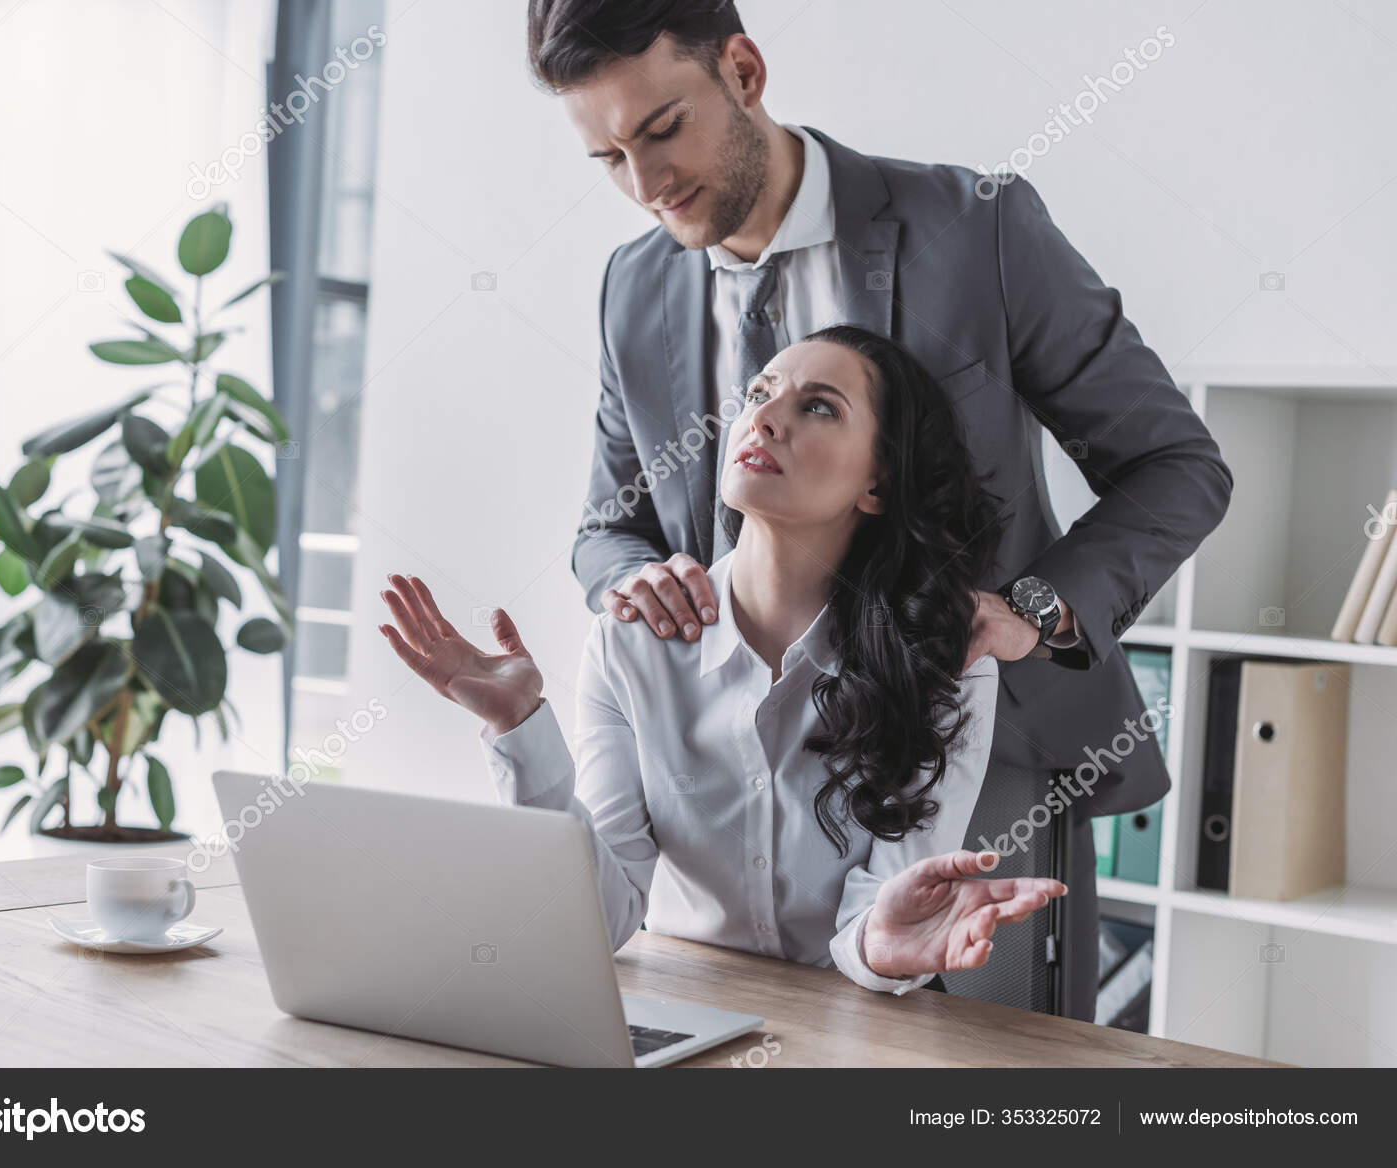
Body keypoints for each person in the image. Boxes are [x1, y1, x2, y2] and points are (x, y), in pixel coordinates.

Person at [528, 0, 1232, 1019]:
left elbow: (1174, 464)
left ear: (743, 69)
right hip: (733, 795)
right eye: (606, 160)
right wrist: (631, 579)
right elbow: (609, 524)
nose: (645, 188)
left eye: (663, 129)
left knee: (987, 1088)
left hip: (979, 744)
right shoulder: (633, 287)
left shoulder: (973, 227)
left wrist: (1028, 608)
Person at [379, 327, 1066, 992]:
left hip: (852, 1019)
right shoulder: (631, 643)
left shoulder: (950, 660)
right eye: (759, 393)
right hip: (682, 1007)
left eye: (818, 407)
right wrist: (519, 726)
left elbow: (884, 920)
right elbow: (598, 917)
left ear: (877, 485)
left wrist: (881, 946)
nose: (764, 418)